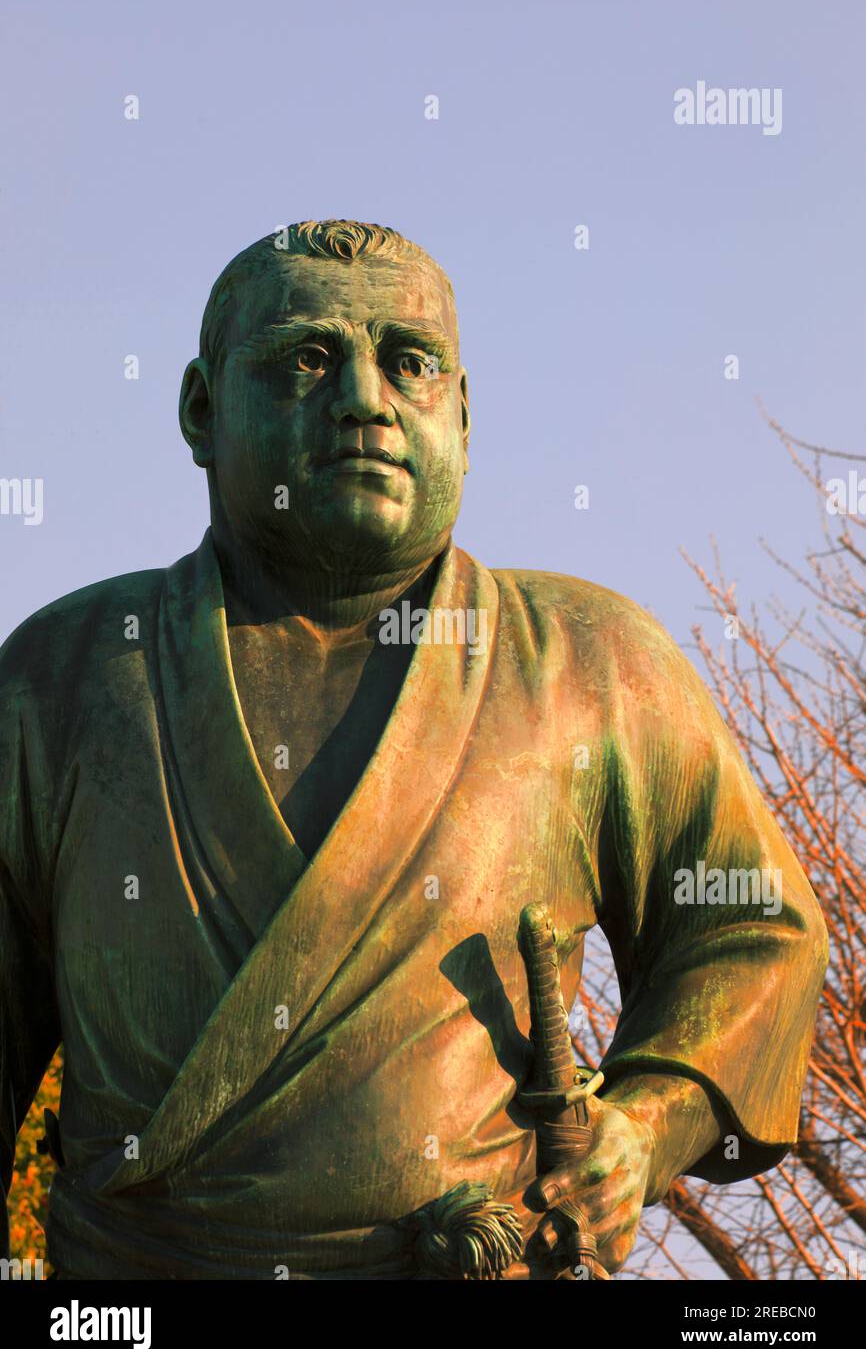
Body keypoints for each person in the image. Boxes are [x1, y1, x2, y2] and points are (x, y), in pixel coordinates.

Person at [0, 221, 828, 1279]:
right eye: (306, 358)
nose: (364, 399)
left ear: (464, 415)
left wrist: (646, 1124)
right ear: (201, 409)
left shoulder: (590, 661)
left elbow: (752, 928)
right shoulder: (68, 674)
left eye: (410, 361)